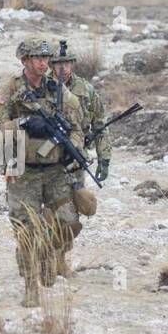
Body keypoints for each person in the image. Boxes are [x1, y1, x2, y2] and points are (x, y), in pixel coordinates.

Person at [0, 39, 86, 306]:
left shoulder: (58, 91)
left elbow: (78, 127)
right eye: (37, 58)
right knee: (26, 231)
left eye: (46, 58)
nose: (44, 63)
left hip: (55, 170)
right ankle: (31, 287)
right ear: (25, 61)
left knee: (68, 222)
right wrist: (25, 123)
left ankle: (50, 256)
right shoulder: (11, 89)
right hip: (22, 171)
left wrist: (72, 146)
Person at [49, 39, 110, 274]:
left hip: (75, 159)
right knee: (48, 210)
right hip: (46, 160)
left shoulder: (86, 90)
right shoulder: (41, 89)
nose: (62, 68)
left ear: (73, 64)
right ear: (51, 65)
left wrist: (104, 157)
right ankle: (44, 256)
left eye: (67, 63)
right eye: (58, 64)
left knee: (72, 212)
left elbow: (100, 124)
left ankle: (61, 256)